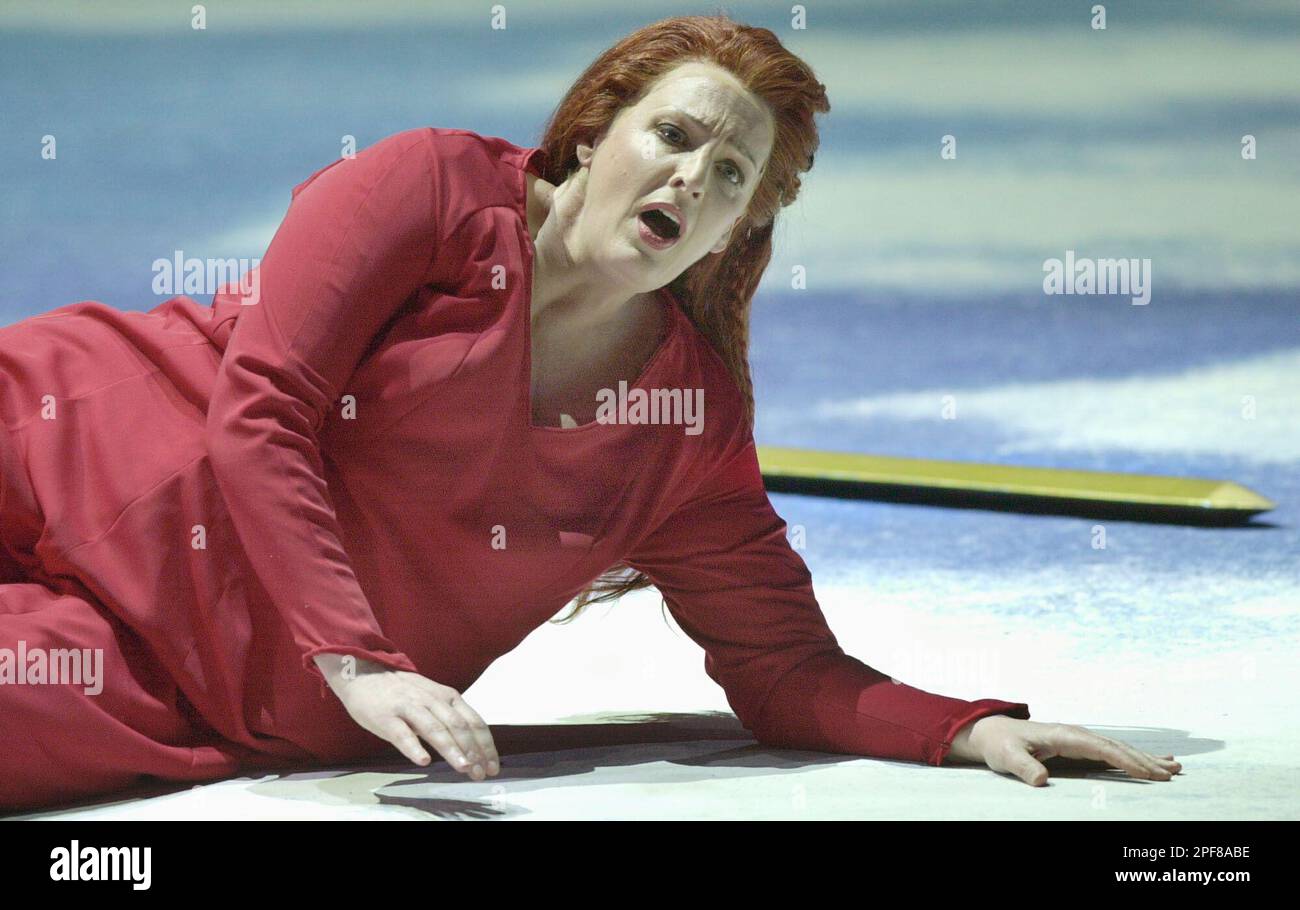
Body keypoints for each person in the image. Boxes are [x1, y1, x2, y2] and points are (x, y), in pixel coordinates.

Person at [0, 14, 1179, 812]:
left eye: (731, 180)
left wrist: (963, 729)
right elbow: (261, 409)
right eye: (674, 136)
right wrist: (358, 658)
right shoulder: (428, 188)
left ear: (738, 232)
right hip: (57, 435)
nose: (690, 181)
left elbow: (783, 667)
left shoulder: (681, 429)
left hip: (174, 677)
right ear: (592, 132)